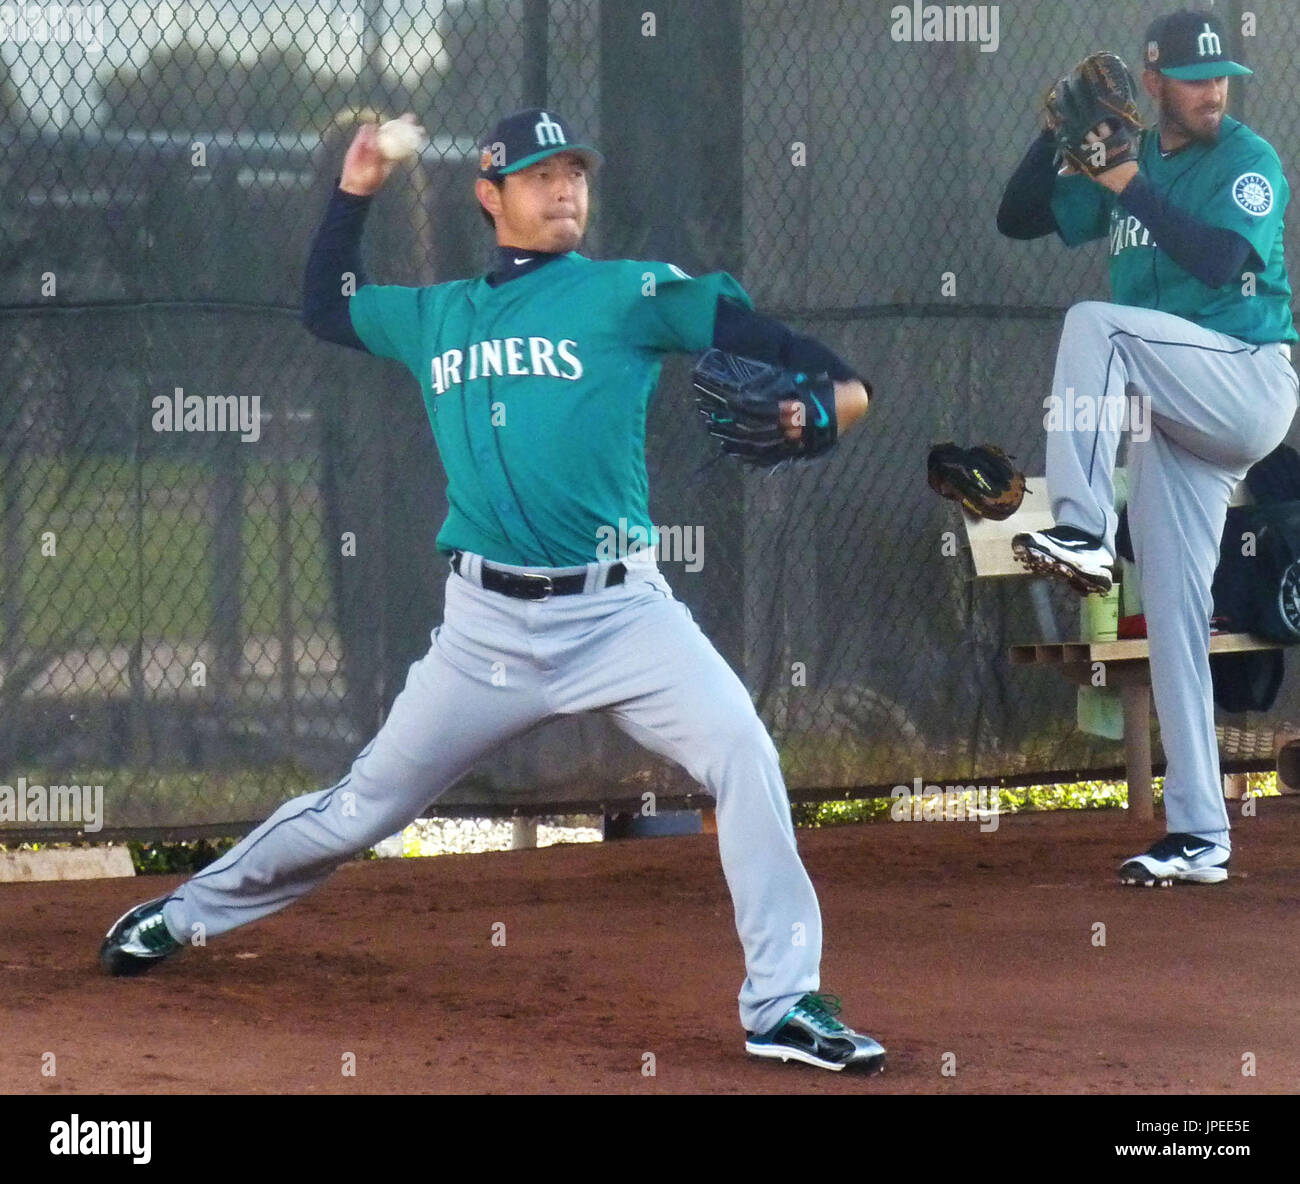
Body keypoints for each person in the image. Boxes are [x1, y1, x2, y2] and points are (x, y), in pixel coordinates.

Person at [99, 107, 886, 1073]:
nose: (565, 190)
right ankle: (183, 914)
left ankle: (784, 1003)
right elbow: (325, 305)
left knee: (744, 753)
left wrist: (835, 400)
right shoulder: (437, 314)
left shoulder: (629, 292)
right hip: (485, 631)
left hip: (621, 613)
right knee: (363, 808)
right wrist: (355, 189)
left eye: (576, 174)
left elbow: (791, 349)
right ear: (490, 195)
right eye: (541, 175)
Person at [997, 10, 1298, 886]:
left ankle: (1084, 529)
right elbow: (1018, 219)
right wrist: (1049, 136)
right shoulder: (1131, 155)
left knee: (1099, 325)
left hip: (1246, 382)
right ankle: (1202, 833)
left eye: (1225, 75)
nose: (1216, 90)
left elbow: (1213, 260)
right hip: (1177, 418)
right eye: (1198, 76)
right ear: (1153, 79)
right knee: (1171, 617)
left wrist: (1124, 176)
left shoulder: (1248, 158)